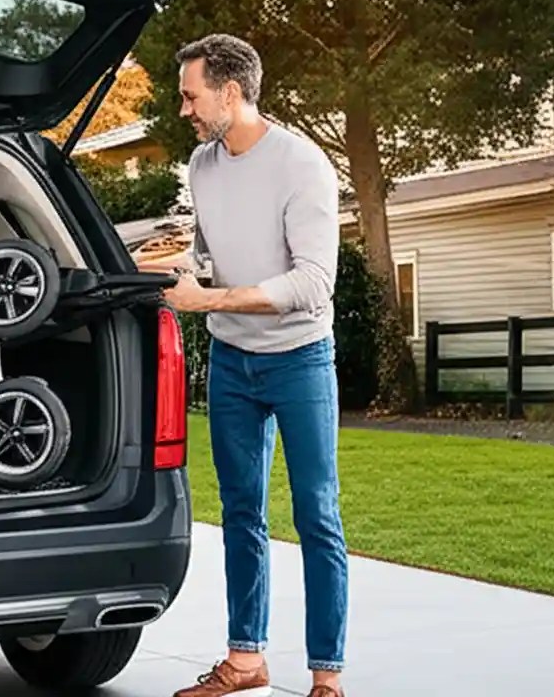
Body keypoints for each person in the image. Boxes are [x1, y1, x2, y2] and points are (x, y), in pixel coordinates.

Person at [147, 34, 348, 697]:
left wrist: (208, 300)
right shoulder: (203, 166)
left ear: (230, 92)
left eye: (191, 97)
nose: (185, 110)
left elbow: (314, 282)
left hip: (299, 359)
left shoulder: (302, 165)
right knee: (241, 513)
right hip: (233, 360)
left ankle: (326, 675)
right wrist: (157, 270)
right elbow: (208, 259)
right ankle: (245, 660)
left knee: (316, 515)